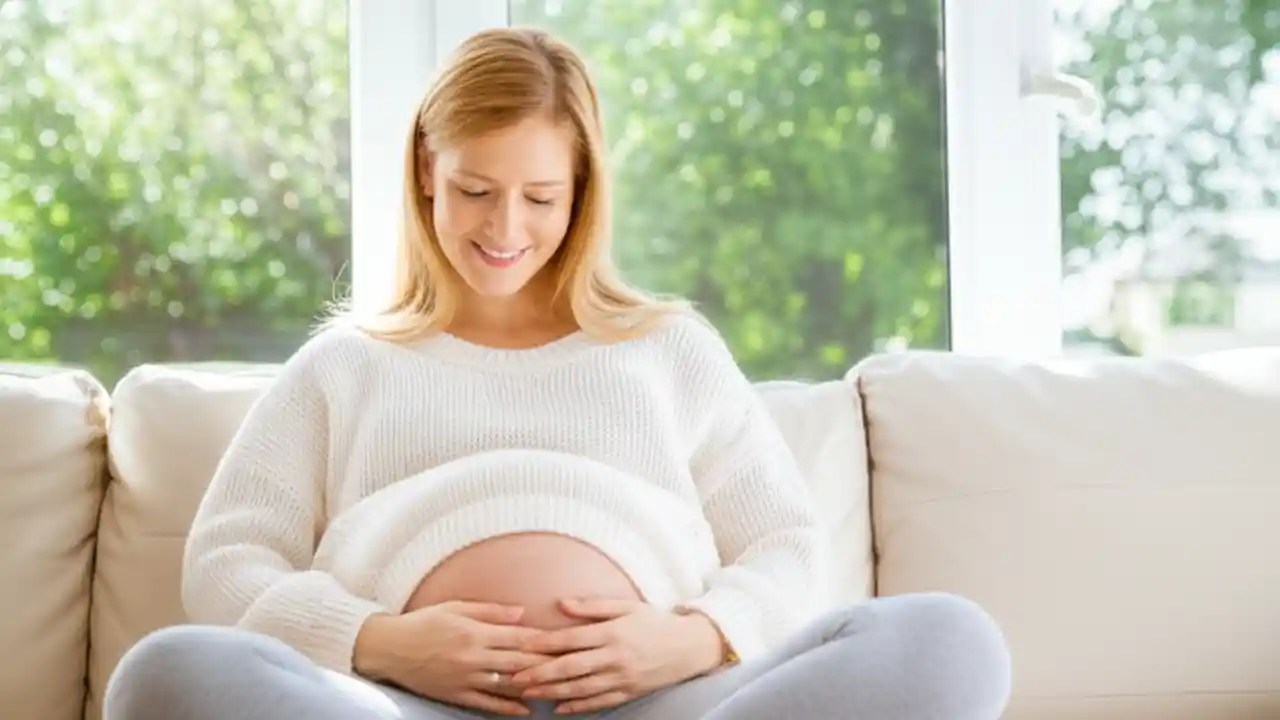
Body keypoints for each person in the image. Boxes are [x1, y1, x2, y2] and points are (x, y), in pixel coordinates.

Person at [103, 27, 1012, 720]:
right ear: (426, 170)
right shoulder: (346, 365)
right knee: (166, 674)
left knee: (949, 641)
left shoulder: (667, 349)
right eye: (474, 190)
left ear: (582, 189)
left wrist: (694, 637)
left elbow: (786, 545)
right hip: (409, 709)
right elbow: (227, 562)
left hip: (663, 706)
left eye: (541, 197)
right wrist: (378, 642)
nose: (505, 228)